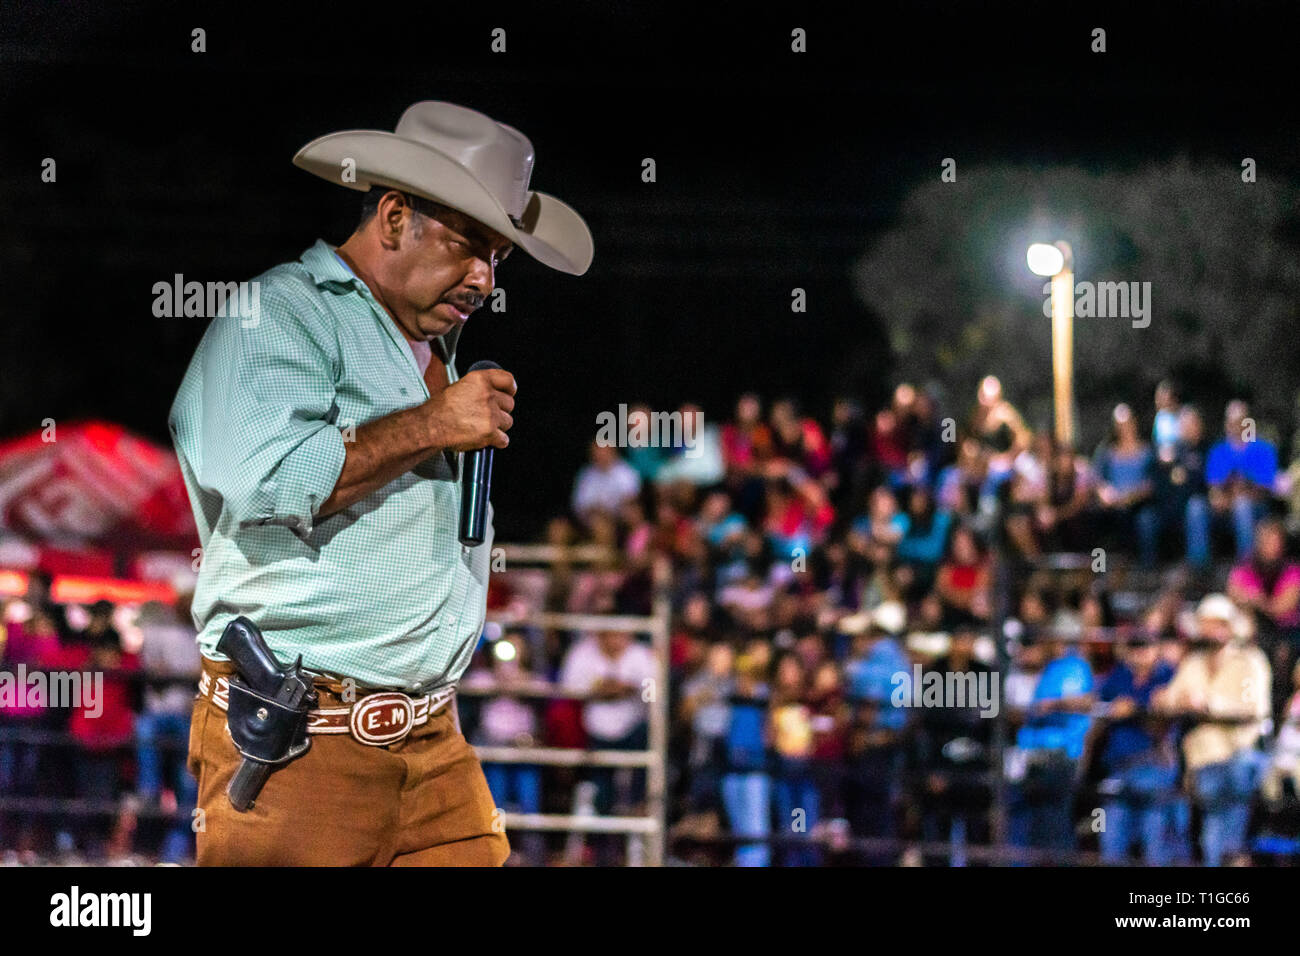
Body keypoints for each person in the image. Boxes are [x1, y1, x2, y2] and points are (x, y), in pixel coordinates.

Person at [169, 100, 593, 865]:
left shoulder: (426, 345)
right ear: (394, 217)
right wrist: (434, 424)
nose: (484, 278)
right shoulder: (279, 313)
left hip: (434, 746)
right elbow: (264, 481)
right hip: (299, 748)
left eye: (499, 257)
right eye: (471, 247)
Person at [1155, 595, 1271, 866]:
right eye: (1205, 625)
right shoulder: (1193, 663)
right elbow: (1170, 698)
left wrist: (1207, 704)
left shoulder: (1249, 661)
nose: (1209, 631)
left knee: (1223, 837)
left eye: (1216, 624)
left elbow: (1252, 708)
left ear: (1229, 627)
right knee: (1215, 836)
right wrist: (1170, 700)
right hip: (1204, 759)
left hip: (1240, 756)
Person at [1092, 633, 1189, 865]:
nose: (1139, 653)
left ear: (1157, 649)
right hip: (1117, 769)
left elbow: (1163, 727)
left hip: (1154, 767)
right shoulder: (1119, 676)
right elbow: (1097, 709)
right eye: (1134, 647)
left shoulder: (1168, 676)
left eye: (1145, 647)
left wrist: (1134, 710)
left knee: (1156, 844)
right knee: (1108, 838)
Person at [1208, 400, 1279, 560]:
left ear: (1249, 422)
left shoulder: (1264, 449)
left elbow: (1266, 489)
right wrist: (1219, 499)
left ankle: (1246, 565)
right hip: (1225, 510)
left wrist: (1239, 496)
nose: (1236, 426)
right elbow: (1214, 489)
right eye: (1232, 422)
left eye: (1241, 421)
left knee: (1243, 506)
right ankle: (1199, 567)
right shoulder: (1218, 451)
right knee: (1196, 507)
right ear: (1226, 423)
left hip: (1256, 509)